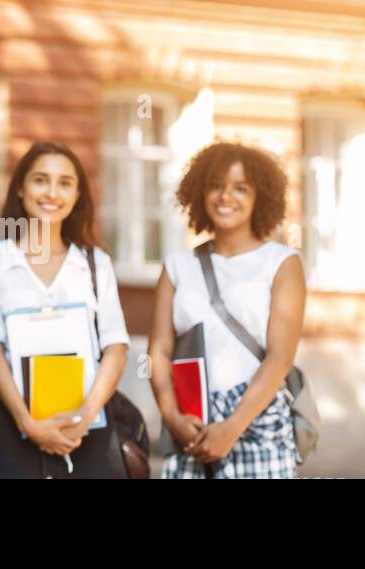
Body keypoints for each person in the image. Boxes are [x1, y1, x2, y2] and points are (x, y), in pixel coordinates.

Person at [147, 142, 306, 479]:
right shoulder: (177, 266)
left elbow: (280, 356)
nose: (225, 196)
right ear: (200, 192)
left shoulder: (281, 262)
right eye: (216, 185)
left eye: (240, 188)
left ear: (259, 196)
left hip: (257, 424)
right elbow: (158, 352)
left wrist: (232, 427)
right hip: (192, 426)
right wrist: (173, 417)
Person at [0, 142, 130, 478]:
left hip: (90, 430)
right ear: (21, 187)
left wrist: (84, 418)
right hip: (16, 429)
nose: (52, 192)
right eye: (41, 180)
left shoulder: (94, 262)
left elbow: (116, 347)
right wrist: (27, 422)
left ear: (77, 195)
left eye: (65, 183)